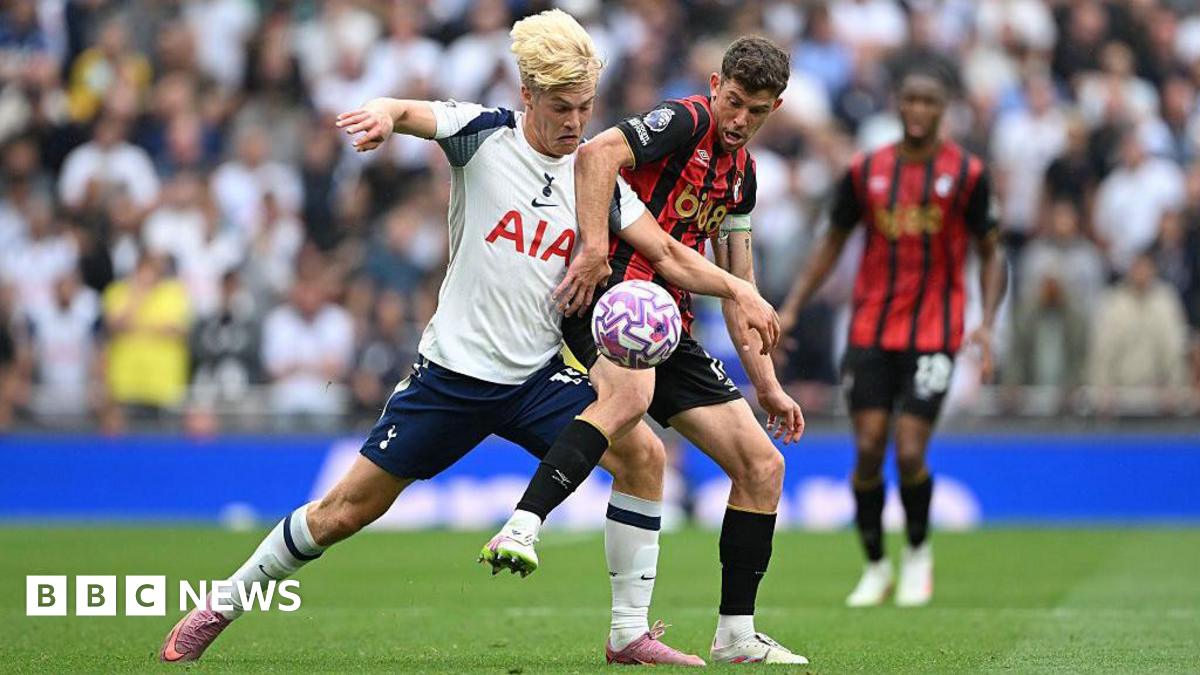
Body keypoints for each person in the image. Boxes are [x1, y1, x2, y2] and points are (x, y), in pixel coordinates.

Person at [157, 9, 776, 664]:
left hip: (537, 377)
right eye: (561, 107)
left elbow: (672, 257)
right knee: (341, 512)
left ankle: (628, 633)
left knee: (644, 456)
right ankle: (222, 601)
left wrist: (741, 289)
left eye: (585, 108)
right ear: (527, 96)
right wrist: (381, 116)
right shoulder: (483, 135)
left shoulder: (599, 185)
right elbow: (408, 110)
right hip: (450, 376)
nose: (574, 123)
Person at [487, 36, 809, 665]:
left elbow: (741, 293)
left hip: (670, 323)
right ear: (715, 86)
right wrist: (595, 247)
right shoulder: (684, 120)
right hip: (612, 299)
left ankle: (737, 635)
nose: (741, 121)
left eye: (758, 110)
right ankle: (525, 523)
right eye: (735, 102)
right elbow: (598, 151)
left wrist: (767, 385)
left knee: (763, 468)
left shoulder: (741, 179)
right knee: (630, 400)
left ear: (777, 107)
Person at [778, 59, 1007, 608]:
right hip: (871, 327)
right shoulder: (866, 172)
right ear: (899, 106)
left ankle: (919, 554)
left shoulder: (967, 175)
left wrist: (987, 323)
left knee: (908, 450)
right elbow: (830, 243)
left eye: (930, 102)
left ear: (943, 110)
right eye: (911, 100)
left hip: (936, 329)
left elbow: (990, 251)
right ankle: (877, 565)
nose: (919, 111)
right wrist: (790, 307)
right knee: (868, 449)